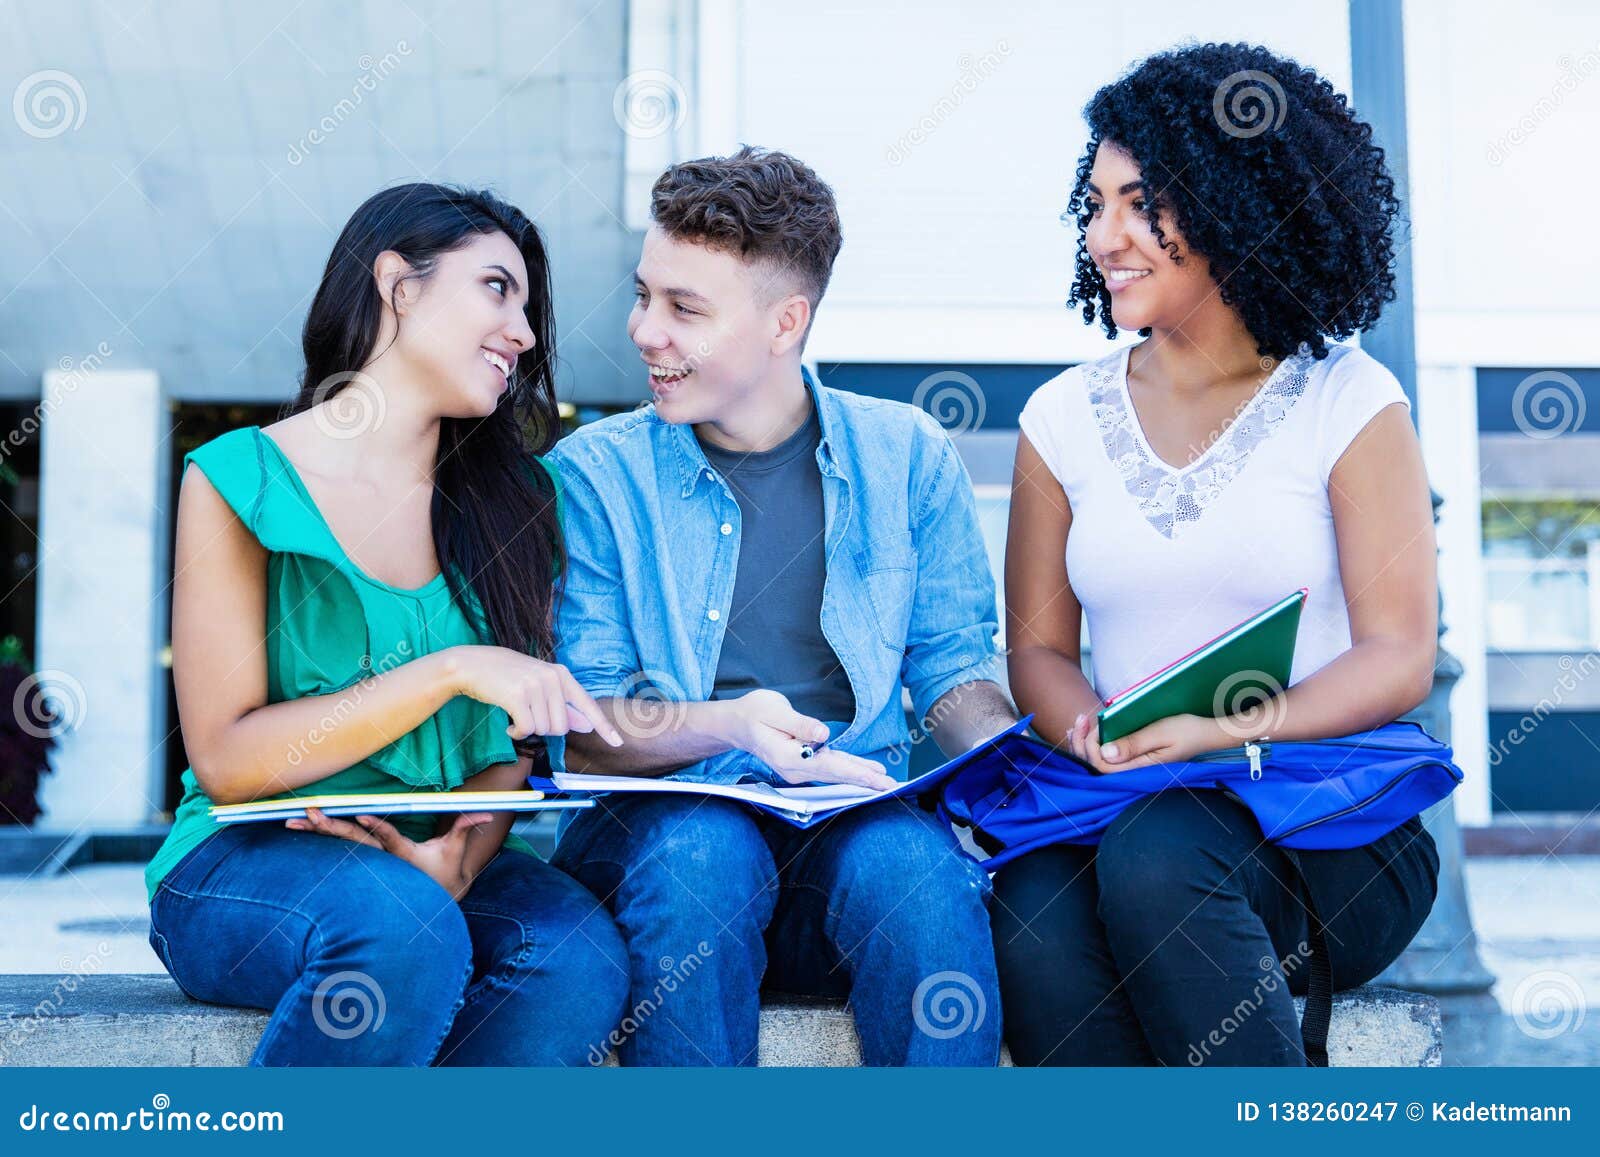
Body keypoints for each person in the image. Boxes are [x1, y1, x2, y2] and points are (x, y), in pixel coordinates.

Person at [994, 43, 1441, 1066]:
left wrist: (1218, 727)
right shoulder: (1059, 418)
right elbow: (1039, 654)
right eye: (1093, 202)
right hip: (1127, 804)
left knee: (1159, 856)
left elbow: (1399, 654)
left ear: (1234, 201)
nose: (1104, 235)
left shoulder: (1347, 400)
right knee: (1031, 903)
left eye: (1139, 202)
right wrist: (1092, 730)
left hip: (1327, 818)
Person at [547, 147, 1017, 1066]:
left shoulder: (908, 454)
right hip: (660, 839)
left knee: (918, 872)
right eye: (646, 294)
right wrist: (733, 727)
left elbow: (955, 664)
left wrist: (1011, 749)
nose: (645, 330)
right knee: (703, 851)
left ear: (783, 322)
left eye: (685, 309)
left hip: (848, 824)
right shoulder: (594, 477)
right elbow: (585, 726)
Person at [145, 183, 630, 1066]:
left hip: (436, 851)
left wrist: (460, 861)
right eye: (496, 288)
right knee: (401, 930)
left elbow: (507, 751)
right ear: (398, 286)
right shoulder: (237, 480)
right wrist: (449, 670)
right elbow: (227, 760)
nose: (523, 331)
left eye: (528, 306)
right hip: (248, 854)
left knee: (576, 954)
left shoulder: (520, 502)